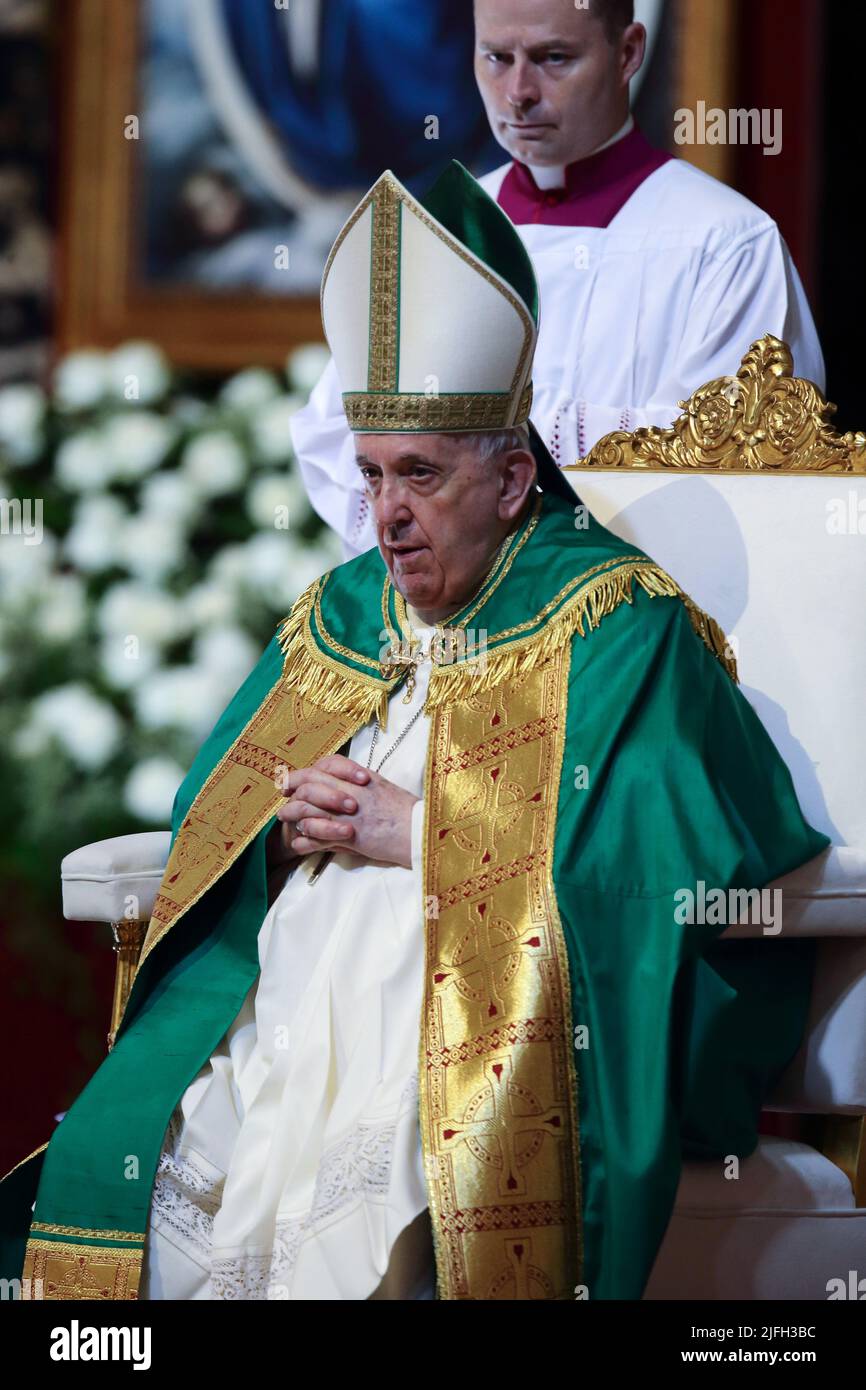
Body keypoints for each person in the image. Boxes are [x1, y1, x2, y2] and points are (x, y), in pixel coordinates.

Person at [1, 162, 828, 1302]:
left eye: (422, 477)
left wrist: (427, 832)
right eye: (373, 474)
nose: (385, 518)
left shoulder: (618, 625)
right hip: (282, 1019)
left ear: (509, 477)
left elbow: (663, 873)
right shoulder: (344, 609)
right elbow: (216, 815)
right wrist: (280, 829)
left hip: (472, 1033)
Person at [290, 0, 825, 559]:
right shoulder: (437, 232)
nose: (518, 91)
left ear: (628, 53)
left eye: (553, 58)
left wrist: (501, 441)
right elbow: (337, 430)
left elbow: (746, 456)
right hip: (462, 628)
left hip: (638, 619)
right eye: (497, 57)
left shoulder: (726, 243)